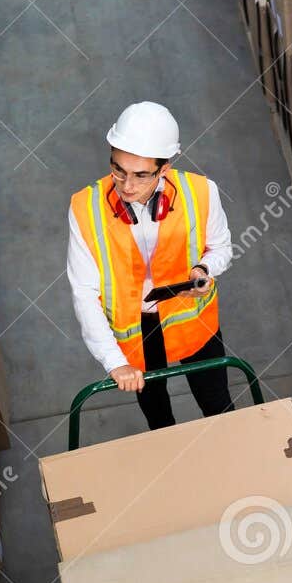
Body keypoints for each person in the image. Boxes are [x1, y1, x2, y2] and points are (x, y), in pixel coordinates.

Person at [67, 102, 234, 429]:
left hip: (193, 321)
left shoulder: (201, 192)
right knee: (158, 416)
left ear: (165, 169)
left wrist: (204, 268)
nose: (127, 186)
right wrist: (115, 363)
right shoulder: (85, 208)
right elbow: (84, 292)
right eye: (118, 170)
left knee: (218, 407)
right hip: (138, 331)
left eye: (141, 175)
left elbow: (222, 248)